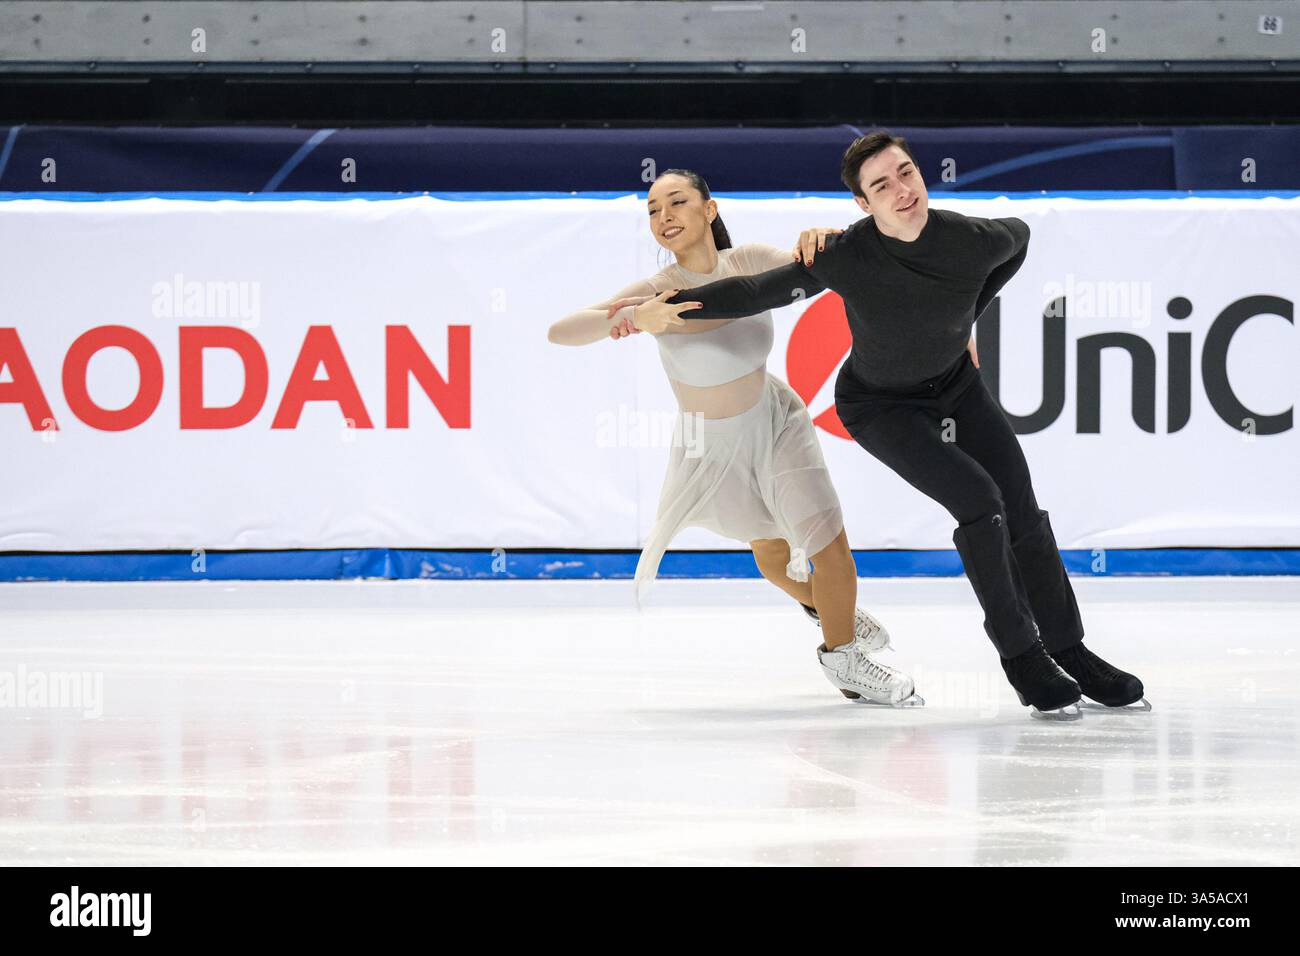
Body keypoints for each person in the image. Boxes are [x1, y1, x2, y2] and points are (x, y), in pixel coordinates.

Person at [633, 134, 1150, 721]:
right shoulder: (848, 254)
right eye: (881, 185)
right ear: (862, 204)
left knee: (1024, 512)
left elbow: (1019, 241)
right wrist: (671, 307)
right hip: (880, 407)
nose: (902, 190)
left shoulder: (971, 238)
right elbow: (754, 291)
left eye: (906, 173)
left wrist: (965, 320)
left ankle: (1070, 649)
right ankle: (1024, 660)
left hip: (958, 390)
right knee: (982, 502)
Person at [548, 168, 923, 707]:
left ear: (710, 208)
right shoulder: (656, 291)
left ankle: (843, 658)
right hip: (708, 441)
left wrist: (821, 239)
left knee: (827, 542)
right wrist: (634, 316)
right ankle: (835, 612)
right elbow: (561, 330)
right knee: (772, 557)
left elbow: (825, 272)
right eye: (653, 210)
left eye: (676, 202)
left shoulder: (747, 261)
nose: (664, 217)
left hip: (776, 421)